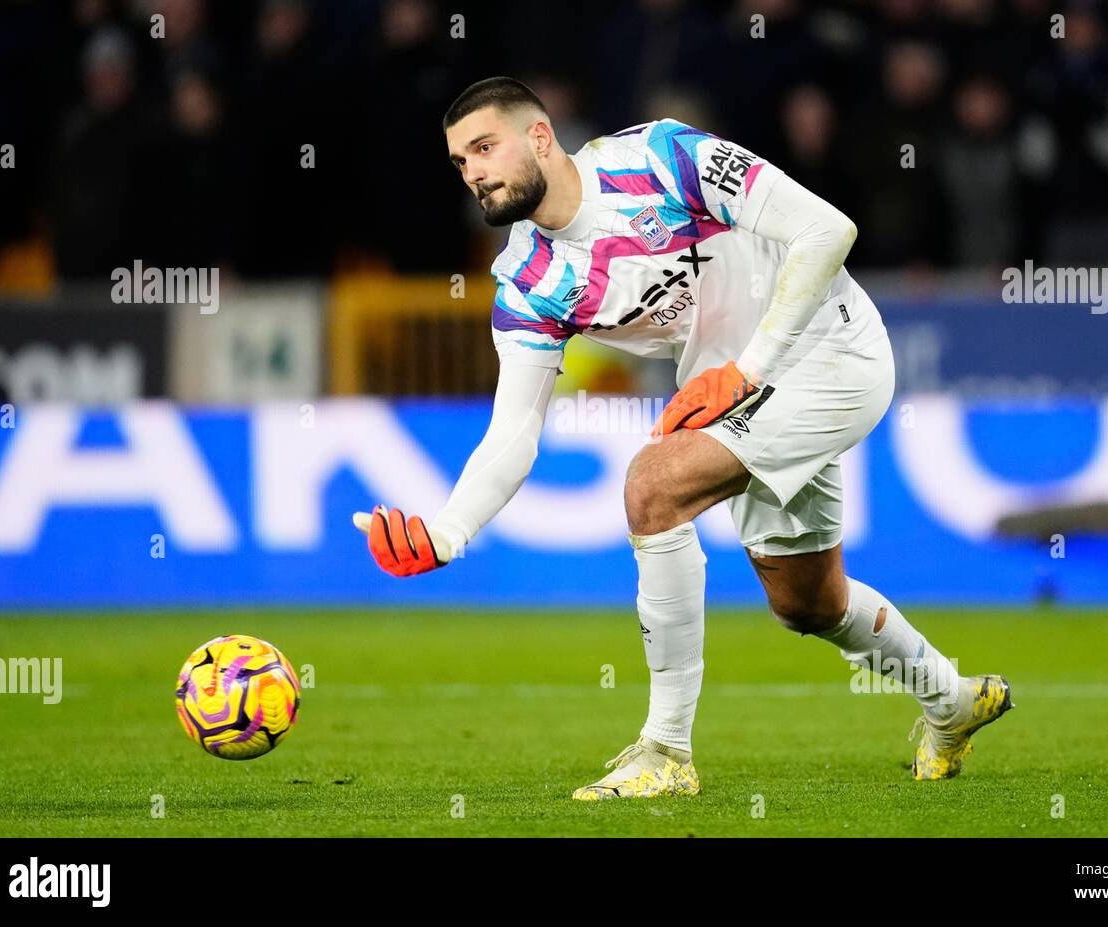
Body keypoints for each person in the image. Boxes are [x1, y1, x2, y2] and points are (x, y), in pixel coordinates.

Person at [355, 77, 1013, 797]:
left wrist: (747, 369)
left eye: (484, 147)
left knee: (652, 485)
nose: (473, 171)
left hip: (832, 352)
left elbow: (829, 229)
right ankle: (950, 701)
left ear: (540, 136)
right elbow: (513, 433)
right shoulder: (527, 282)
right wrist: (447, 532)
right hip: (736, 397)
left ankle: (666, 750)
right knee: (807, 603)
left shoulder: (662, 159)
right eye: (459, 162)